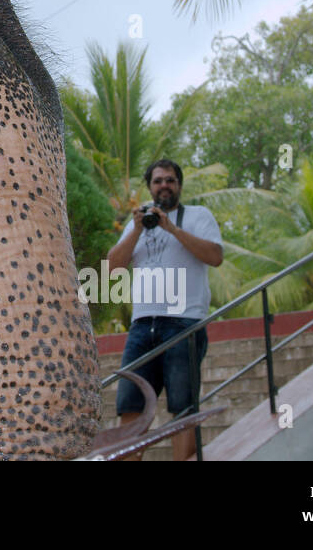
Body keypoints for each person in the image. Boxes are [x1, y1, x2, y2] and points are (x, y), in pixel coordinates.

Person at [106, 158, 223, 461]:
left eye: (170, 180)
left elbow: (215, 256)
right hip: (143, 326)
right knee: (131, 406)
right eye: (158, 181)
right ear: (150, 187)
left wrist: (171, 227)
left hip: (184, 323)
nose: (164, 186)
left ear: (179, 185)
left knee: (182, 407)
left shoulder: (198, 215)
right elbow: (111, 268)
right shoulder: (139, 221)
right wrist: (135, 230)